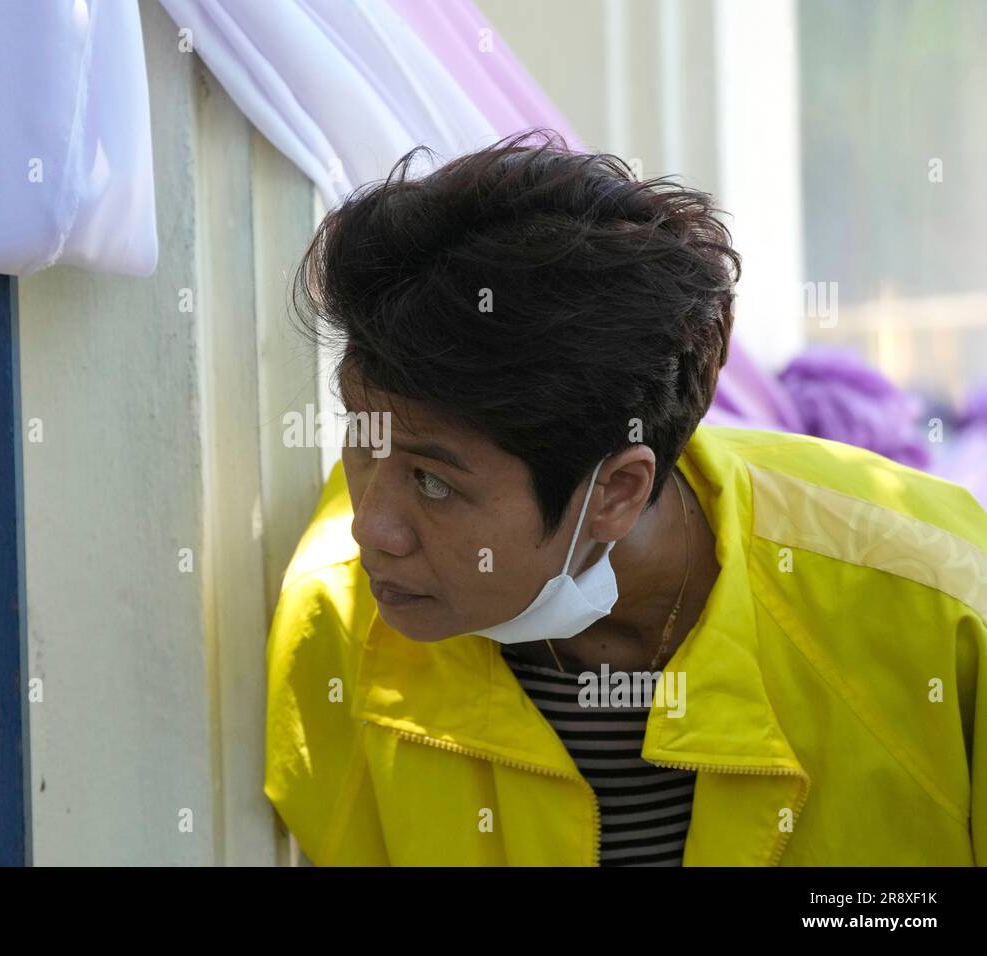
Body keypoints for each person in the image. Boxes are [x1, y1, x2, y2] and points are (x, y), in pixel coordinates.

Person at [263, 131, 987, 866]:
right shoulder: (340, 619)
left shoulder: (939, 606)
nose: (370, 528)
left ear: (615, 490)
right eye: (362, 437)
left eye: (432, 481)